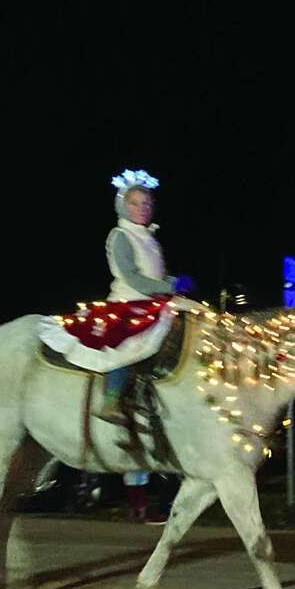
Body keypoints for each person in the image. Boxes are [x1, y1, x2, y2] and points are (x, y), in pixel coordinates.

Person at [96, 169, 184, 424]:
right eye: (134, 203)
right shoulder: (120, 236)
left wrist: (173, 282)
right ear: (123, 207)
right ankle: (111, 399)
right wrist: (170, 286)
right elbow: (133, 278)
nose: (142, 208)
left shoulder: (149, 238)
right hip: (128, 302)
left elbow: (156, 275)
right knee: (129, 341)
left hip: (154, 302)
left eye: (146, 203)